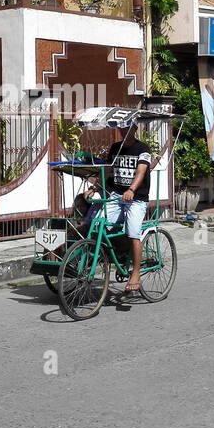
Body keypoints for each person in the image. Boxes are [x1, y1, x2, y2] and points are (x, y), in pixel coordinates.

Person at [86, 121, 152, 298]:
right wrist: (95, 188)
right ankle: (115, 254)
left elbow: (141, 172)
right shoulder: (116, 147)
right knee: (98, 223)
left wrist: (131, 189)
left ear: (135, 129)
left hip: (136, 198)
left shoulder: (143, 149)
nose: (123, 131)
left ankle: (136, 273)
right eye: (121, 128)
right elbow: (108, 172)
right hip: (116, 195)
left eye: (127, 128)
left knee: (133, 232)